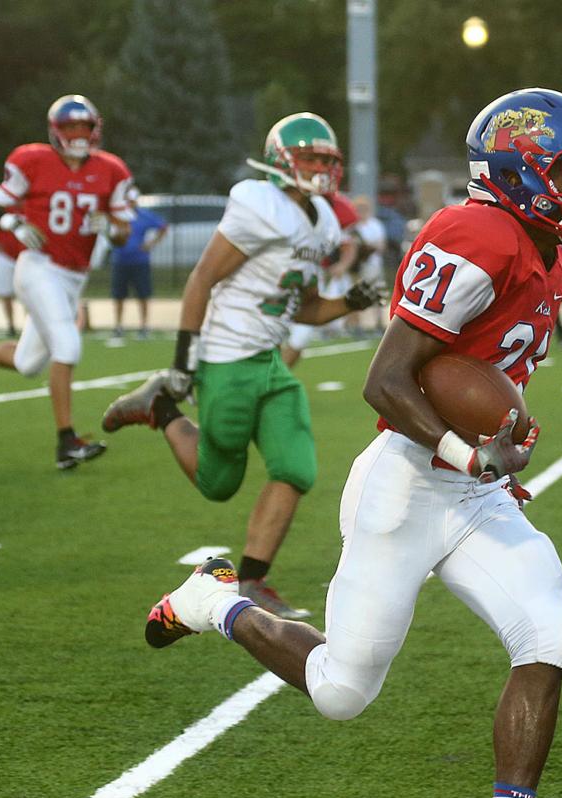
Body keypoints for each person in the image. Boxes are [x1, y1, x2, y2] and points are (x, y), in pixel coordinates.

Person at [141, 88, 562, 798]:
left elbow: (487, 379)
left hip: (476, 490)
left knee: (550, 631)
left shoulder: (550, 254)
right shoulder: (475, 234)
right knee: (339, 689)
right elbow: (388, 378)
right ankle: (211, 601)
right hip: (406, 479)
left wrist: (493, 459)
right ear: (516, 175)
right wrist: (472, 450)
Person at [101, 112, 384, 620]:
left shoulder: (321, 217)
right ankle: (162, 407)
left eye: (327, 160)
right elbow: (201, 278)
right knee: (218, 482)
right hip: (227, 357)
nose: (321, 169)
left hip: (270, 361)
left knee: (296, 467)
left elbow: (308, 305)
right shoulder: (259, 203)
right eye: (311, 159)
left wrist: (350, 302)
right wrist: (182, 363)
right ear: (281, 162)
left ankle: (253, 581)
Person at [0, 94, 135, 470]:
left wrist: (111, 227)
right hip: (38, 266)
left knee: (29, 363)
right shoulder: (32, 160)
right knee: (67, 343)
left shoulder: (112, 170)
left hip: (73, 276)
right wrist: (13, 223)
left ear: (96, 130)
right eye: (71, 127)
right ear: (56, 131)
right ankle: (67, 442)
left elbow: (125, 232)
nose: (79, 134)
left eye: (85, 127)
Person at [282, 190, 360, 367]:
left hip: (311, 277)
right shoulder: (275, 203)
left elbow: (348, 245)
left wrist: (341, 266)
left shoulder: (335, 209)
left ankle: (274, 381)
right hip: (275, 277)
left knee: (301, 335)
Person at [110, 199, 167, 341]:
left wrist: (150, 244)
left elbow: (163, 226)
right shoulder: (118, 215)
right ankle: (118, 326)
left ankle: (144, 326)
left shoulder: (144, 215)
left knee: (143, 294)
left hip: (140, 261)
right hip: (120, 260)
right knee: (119, 295)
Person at [347, 194, 388, 336]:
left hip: (373, 265)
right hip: (356, 266)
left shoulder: (375, 225)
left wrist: (368, 248)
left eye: (363, 208)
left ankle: (380, 324)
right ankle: (355, 325)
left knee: (377, 295)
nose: (361, 211)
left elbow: (381, 245)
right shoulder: (353, 226)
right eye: (358, 208)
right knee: (356, 295)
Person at [0, 219, 24, 338]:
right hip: (5, 254)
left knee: (31, 292)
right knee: (5, 292)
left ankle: (30, 325)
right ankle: (11, 325)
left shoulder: (30, 205)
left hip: (26, 254)